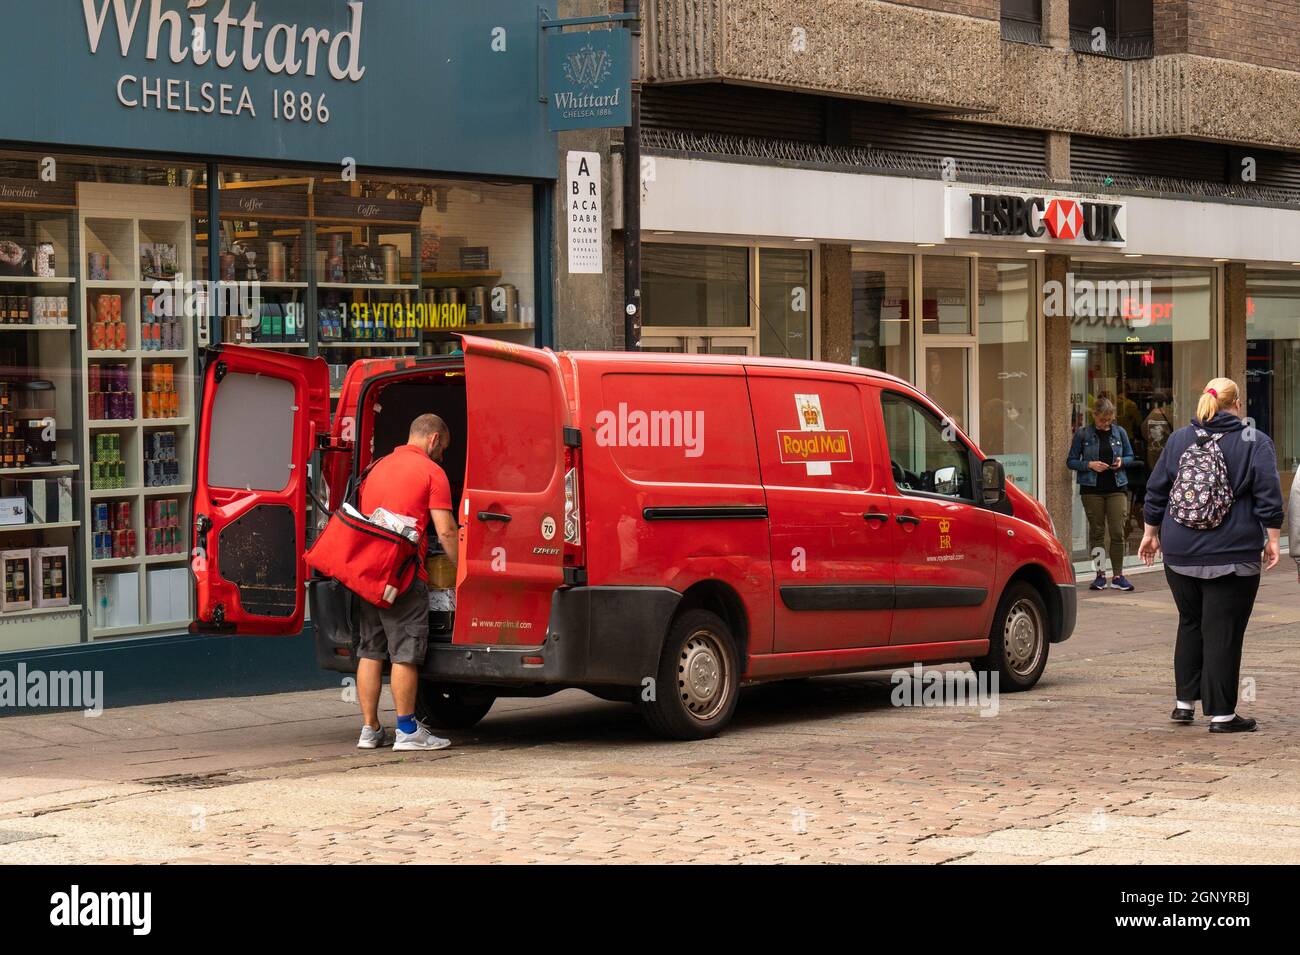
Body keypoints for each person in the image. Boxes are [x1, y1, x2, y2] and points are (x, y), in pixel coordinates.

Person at [1139, 378, 1283, 734]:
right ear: (1237, 404)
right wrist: (1274, 539)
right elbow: (1268, 494)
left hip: (1180, 551)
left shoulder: (1179, 439)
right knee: (1223, 632)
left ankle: (1184, 704)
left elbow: (1157, 489)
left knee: (1190, 623)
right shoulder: (1255, 441)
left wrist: (1150, 534)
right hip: (1232, 554)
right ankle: (1222, 715)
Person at [354, 414, 460, 752]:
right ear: (432, 439)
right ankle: (406, 730)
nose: (442, 455)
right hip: (403, 575)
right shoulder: (432, 472)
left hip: (369, 572)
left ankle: (370, 729)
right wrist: (462, 572)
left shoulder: (377, 466)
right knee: (405, 653)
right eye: (442, 448)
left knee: (370, 650)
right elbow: (444, 530)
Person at [1068, 397, 1137, 591]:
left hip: (1117, 487)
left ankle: (1118, 575)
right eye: (1102, 420)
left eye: (1109, 420)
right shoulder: (1084, 434)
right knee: (1097, 533)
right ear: (1095, 415)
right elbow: (1071, 461)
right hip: (1092, 490)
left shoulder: (1120, 432)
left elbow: (1131, 456)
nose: (1106, 424)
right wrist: (1089, 464)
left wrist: (1122, 462)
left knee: (1117, 531)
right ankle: (1099, 575)